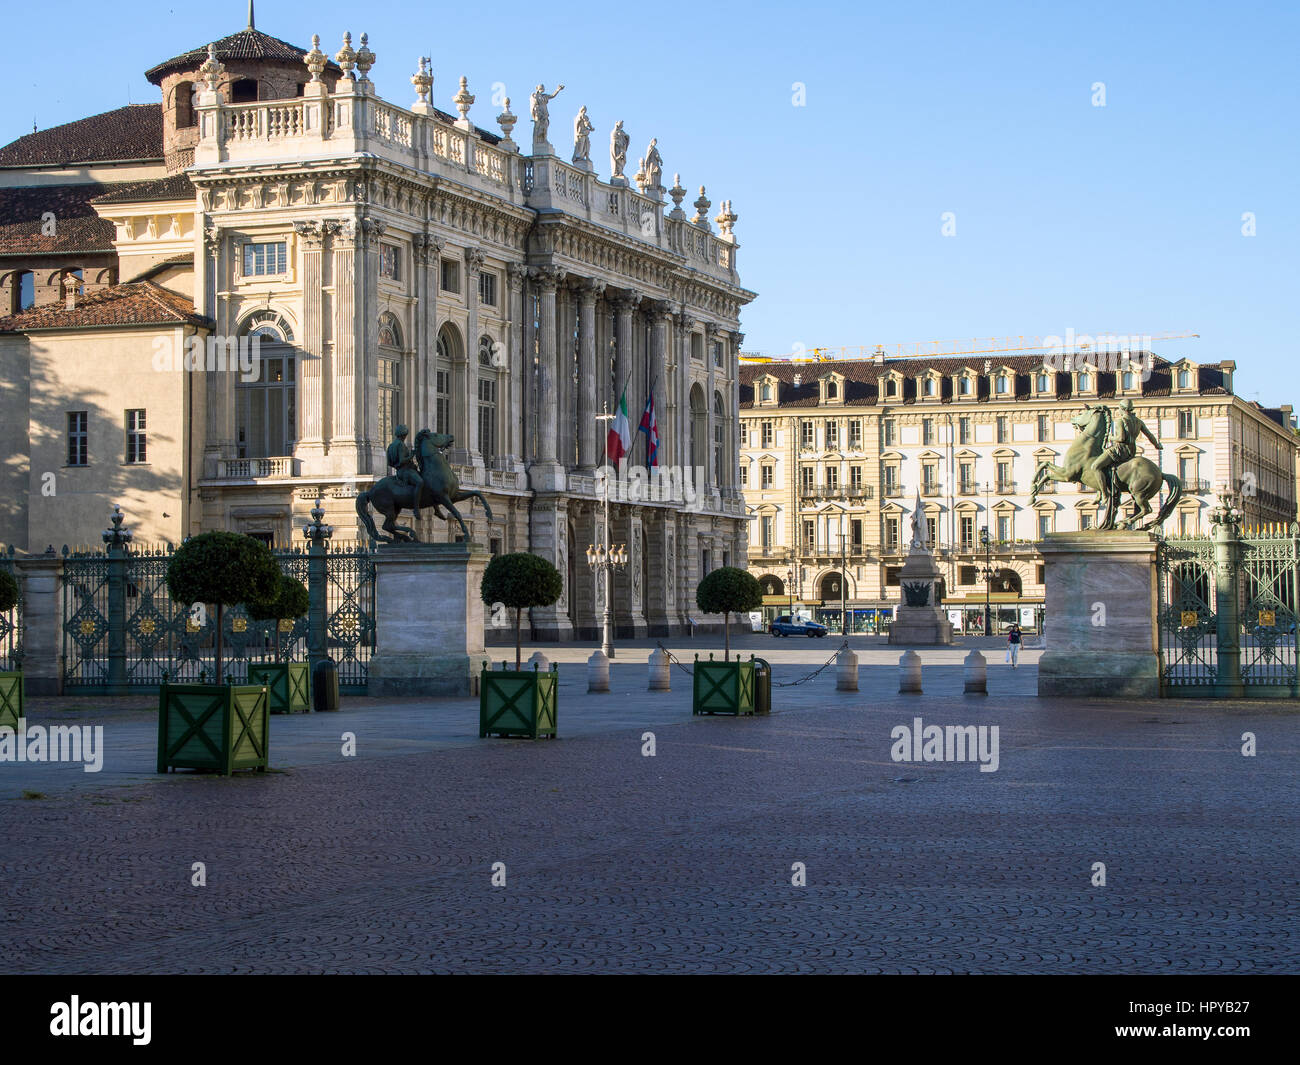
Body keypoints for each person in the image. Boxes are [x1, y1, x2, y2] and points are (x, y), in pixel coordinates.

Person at [1095, 398, 1162, 521]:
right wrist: (1157, 445)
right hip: (1131, 451)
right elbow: (1150, 435)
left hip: (1119, 450)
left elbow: (1120, 438)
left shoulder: (1120, 420)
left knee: (1096, 466)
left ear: (1121, 409)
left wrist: (1108, 436)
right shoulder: (1138, 421)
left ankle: (1104, 494)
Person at [386, 424, 423, 521]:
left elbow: (389, 462)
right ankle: (416, 508)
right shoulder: (400, 445)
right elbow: (402, 460)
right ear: (404, 435)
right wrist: (412, 455)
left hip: (399, 471)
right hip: (406, 471)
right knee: (420, 482)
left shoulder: (391, 446)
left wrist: (397, 466)